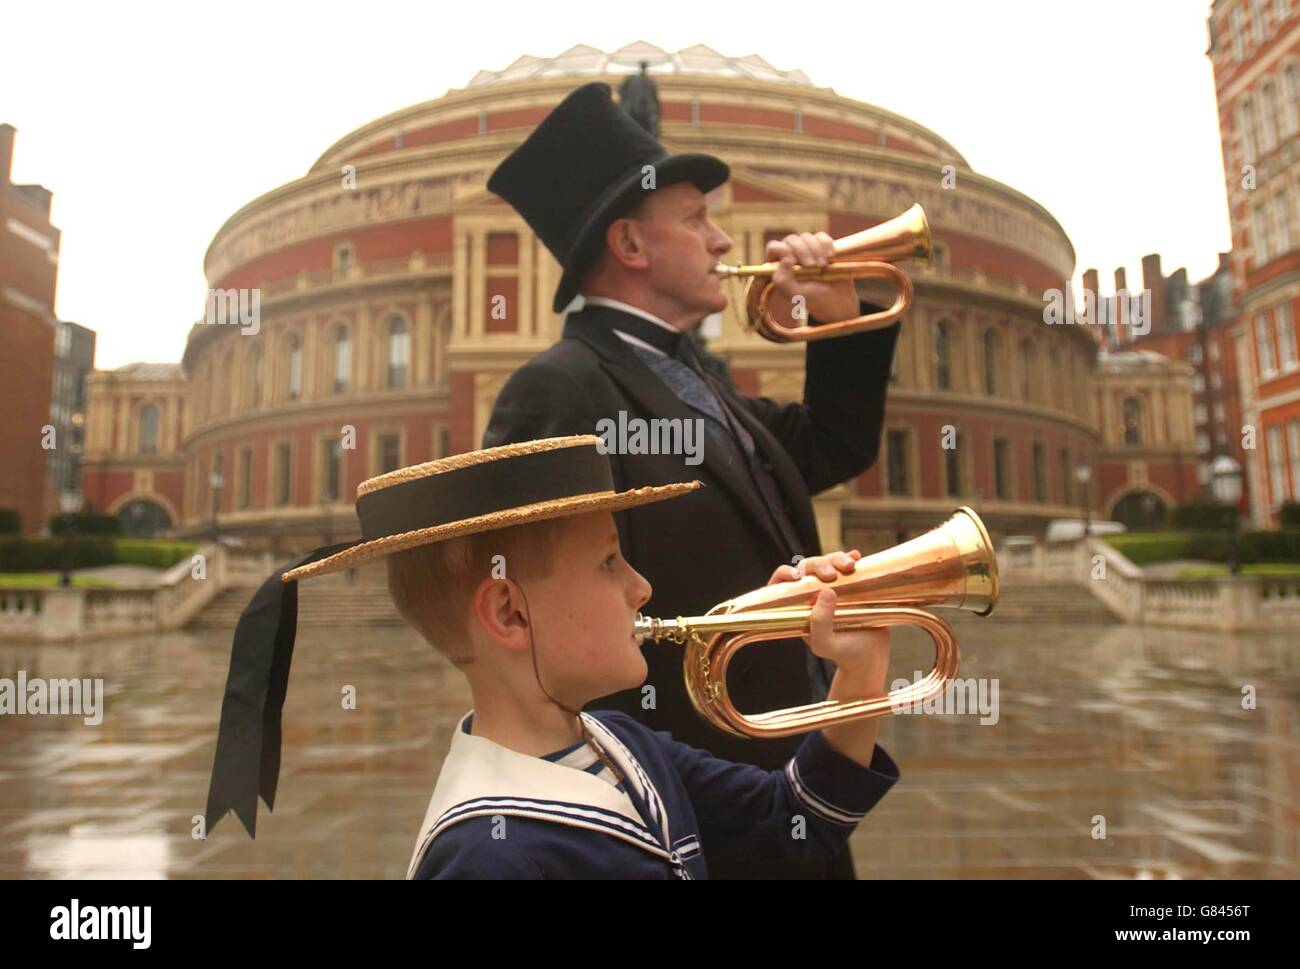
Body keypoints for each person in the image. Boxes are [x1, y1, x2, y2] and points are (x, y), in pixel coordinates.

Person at [482, 82, 900, 878]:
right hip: (703, 823)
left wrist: (840, 315)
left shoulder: (700, 379)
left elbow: (831, 445)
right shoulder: (560, 390)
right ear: (631, 247)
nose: (721, 239)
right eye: (696, 218)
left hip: (793, 797)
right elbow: (549, 652)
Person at [204, 435, 898, 879]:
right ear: (509, 612)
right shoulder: (484, 855)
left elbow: (795, 824)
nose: (642, 586)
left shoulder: (622, 741)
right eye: (608, 562)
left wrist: (858, 671)